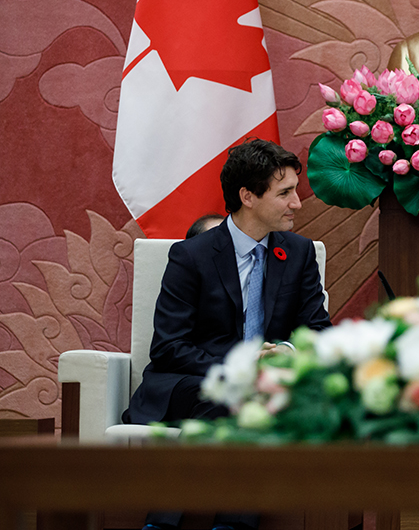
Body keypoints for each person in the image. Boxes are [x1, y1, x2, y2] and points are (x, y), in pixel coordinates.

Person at [126, 139, 332, 425]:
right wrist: (243, 366)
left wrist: (288, 351)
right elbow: (169, 347)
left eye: (295, 190)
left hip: (273, 381)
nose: (296, 203)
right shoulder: (191, 256)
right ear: (248, 197)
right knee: (231, 398)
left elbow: (318, 330)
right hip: (201, 380)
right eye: (284, 193)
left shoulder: (299, 253)